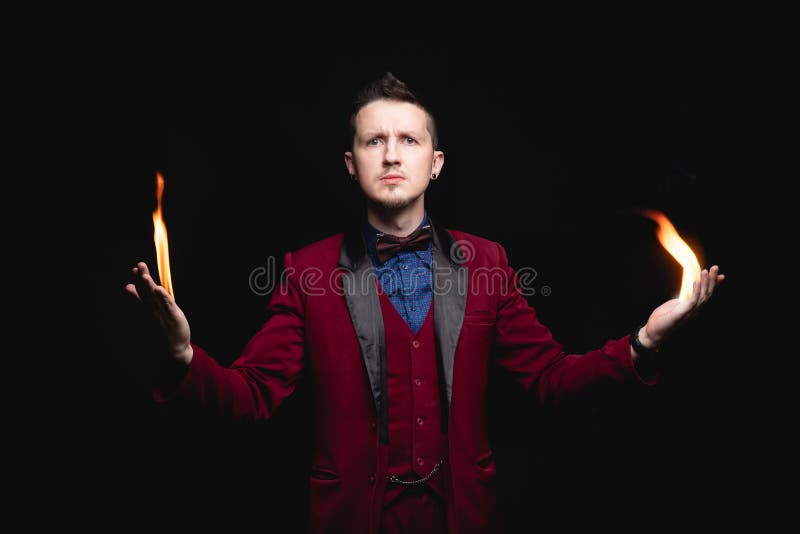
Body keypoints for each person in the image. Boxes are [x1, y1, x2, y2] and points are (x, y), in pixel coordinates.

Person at [125, 72, 724, 534]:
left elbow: (550, 379)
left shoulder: (487, 262)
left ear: (434, 164)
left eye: (409, 140)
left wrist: (643, 343)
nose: (391, 154)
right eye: (374, 140)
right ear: (351, 162)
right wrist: (184, 357)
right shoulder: (306, 272)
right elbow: (251, 397)